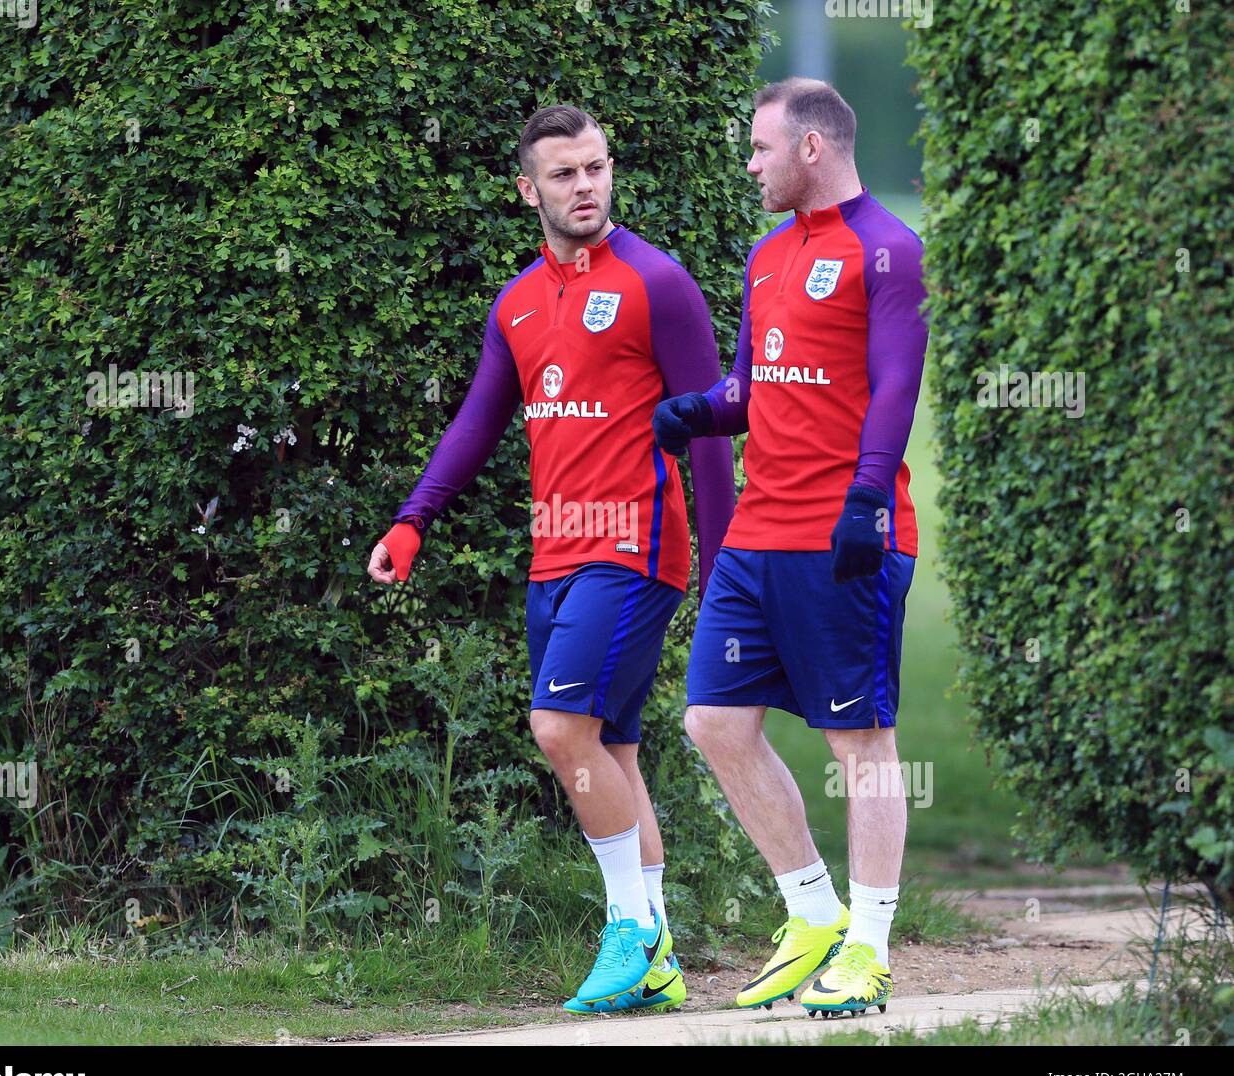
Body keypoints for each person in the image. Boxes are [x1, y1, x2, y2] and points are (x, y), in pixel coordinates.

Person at [371, 104, 735, 1014]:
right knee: (612, 749)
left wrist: (729, 563)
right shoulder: (518, 301)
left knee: (557, 727)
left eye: (598, 168)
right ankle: (656, 959)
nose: (587, 187)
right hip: (553, 556)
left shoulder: (659, 283)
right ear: (527, 189)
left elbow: (714, 433)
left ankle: (630, 935)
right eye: (566, 174)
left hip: (636, 547)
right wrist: (414, 521)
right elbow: (477, 422)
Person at [653, 78, 928, 1017]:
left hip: (846, 534)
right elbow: (751, 384)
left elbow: (894, 386)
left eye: (762, 148)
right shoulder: (767, 255)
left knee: (861, 739)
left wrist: (867, 499)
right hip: (759, 535)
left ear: (812, 147)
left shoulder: (889, 250)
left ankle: (871, 947)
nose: (751, 164)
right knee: (714, 723)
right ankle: (811, 915)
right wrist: (699, 414)